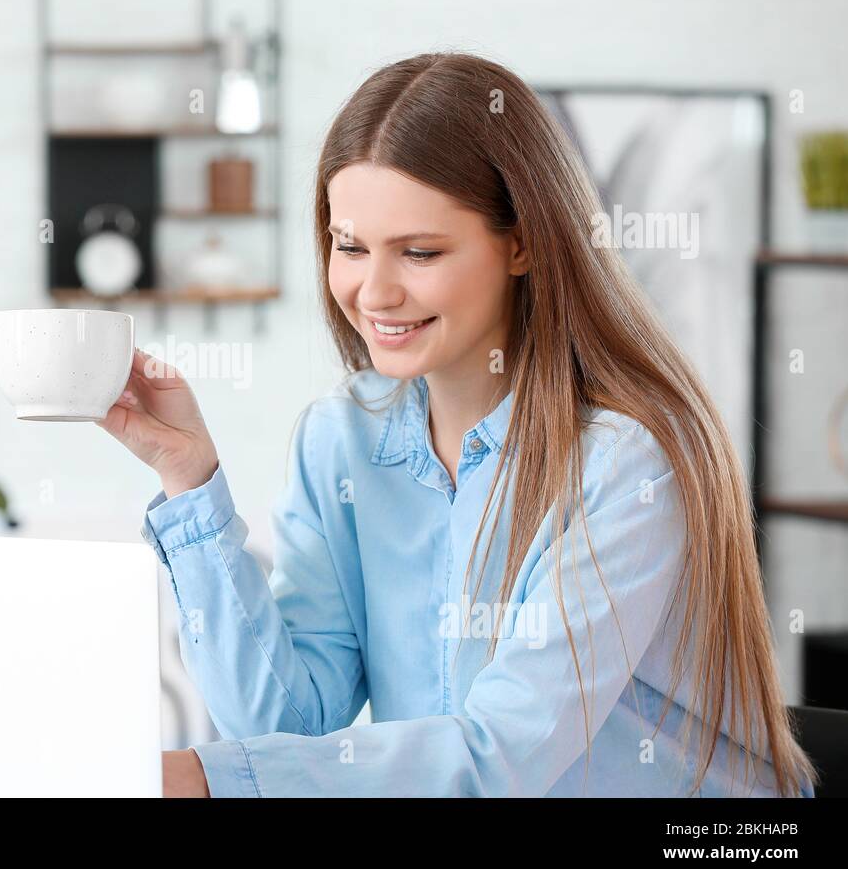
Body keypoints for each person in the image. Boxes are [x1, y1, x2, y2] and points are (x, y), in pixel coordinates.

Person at [96, 52, 818, 798]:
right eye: (350, 246)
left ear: (523, 242)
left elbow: (498, 759)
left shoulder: (626, 464)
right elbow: (284, 724)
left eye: (419, 252)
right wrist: (190, 483)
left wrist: (204, 779)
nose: (374, 291)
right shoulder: (341, 441)